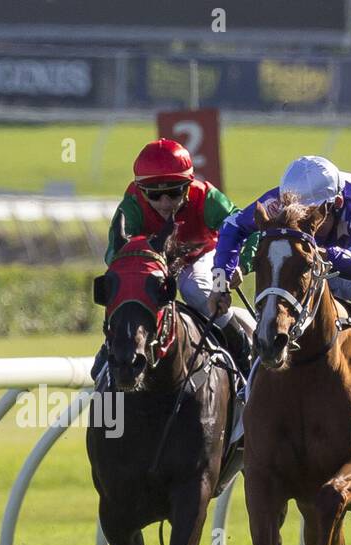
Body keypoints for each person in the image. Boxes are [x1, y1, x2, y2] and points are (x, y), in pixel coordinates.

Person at [215, 155, 351, 405]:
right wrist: (222, 273)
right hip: (312, 261)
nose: (302, 222)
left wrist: (323, 254)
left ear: (336, 203)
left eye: (310, 215)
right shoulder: (284, 198)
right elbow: (233, 225)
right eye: (297, 213)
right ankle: (257, 375)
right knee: (281, 306)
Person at [100, 138, 257, 376]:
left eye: (174, 193)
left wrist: (240, 266)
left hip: (206, 258)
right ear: (141, 190)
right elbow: (114, 253)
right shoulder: (131, 204)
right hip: (154, 262)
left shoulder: (207, 198)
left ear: (188, 184)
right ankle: (109, 355)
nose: (165, 203)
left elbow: (248, 228)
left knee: (195, 288)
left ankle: (242, 353)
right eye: (155, 195)